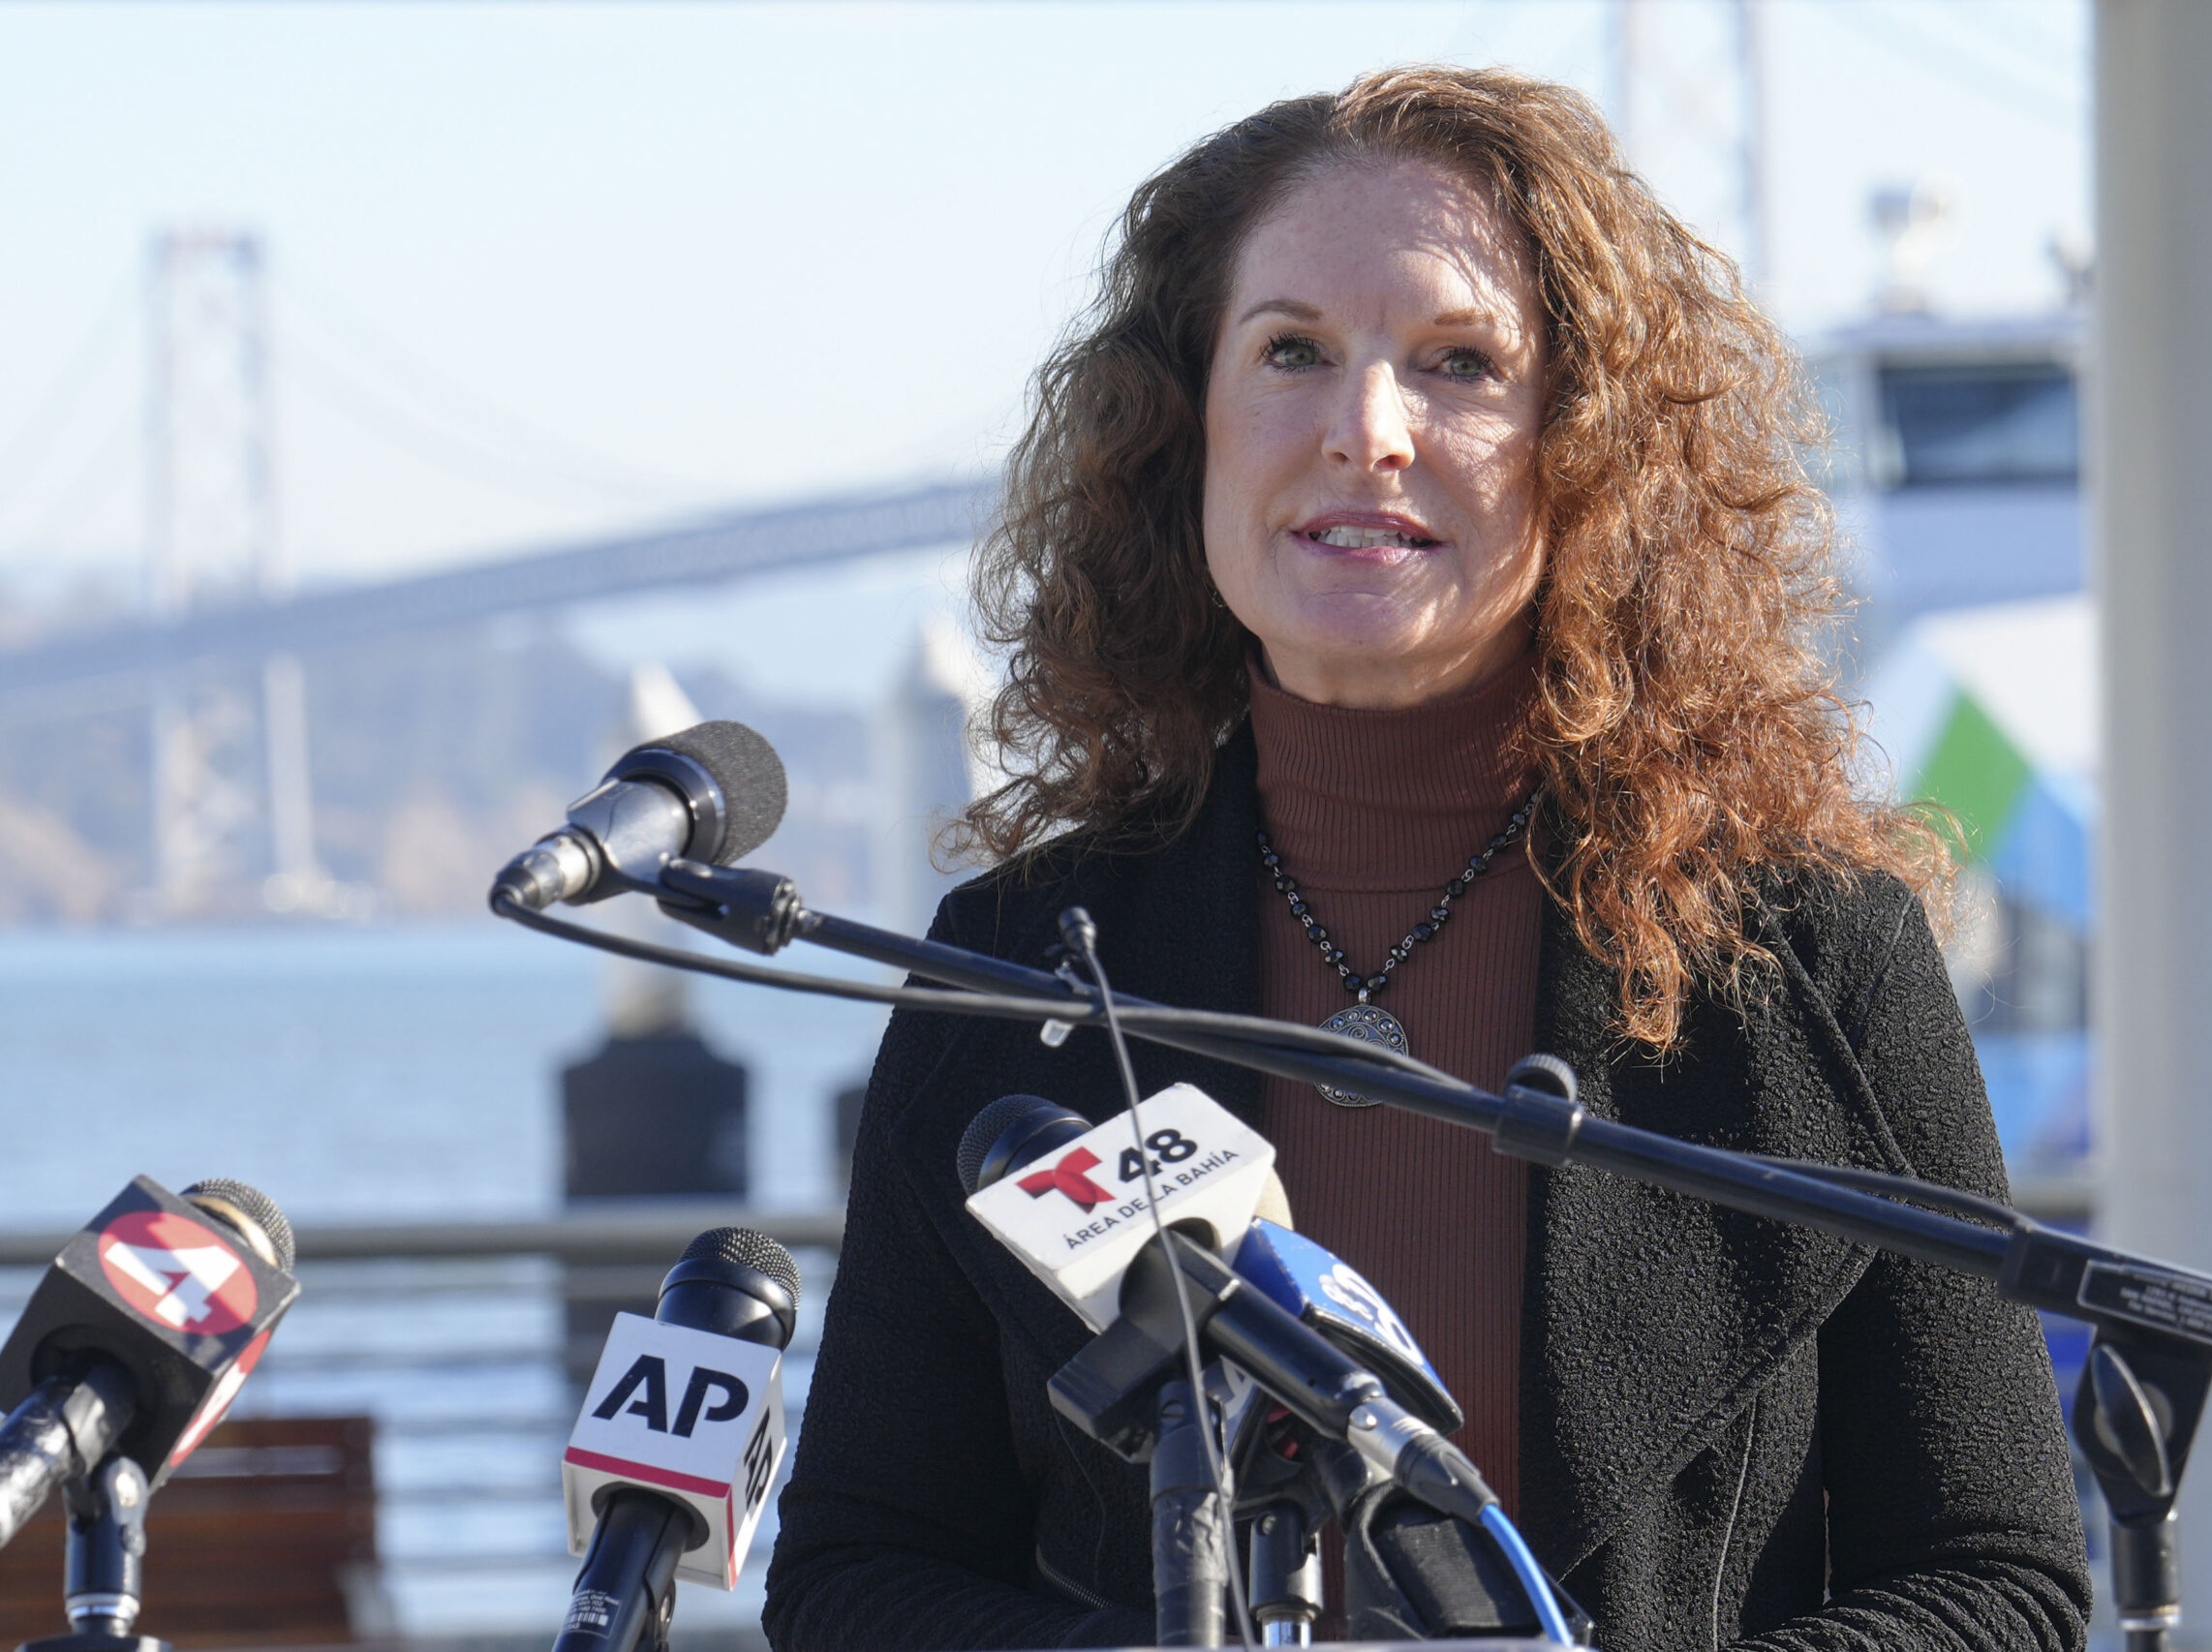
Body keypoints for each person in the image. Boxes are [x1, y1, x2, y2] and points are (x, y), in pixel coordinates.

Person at [765, 65, 2089, 1652]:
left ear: (1581, 449)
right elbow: (854, 1575)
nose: (1366, 432)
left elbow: (2001, 1581)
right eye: (1292, 353)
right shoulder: (1014, 959)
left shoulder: (1816, 958)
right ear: (1186, 425)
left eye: (1458, 363)